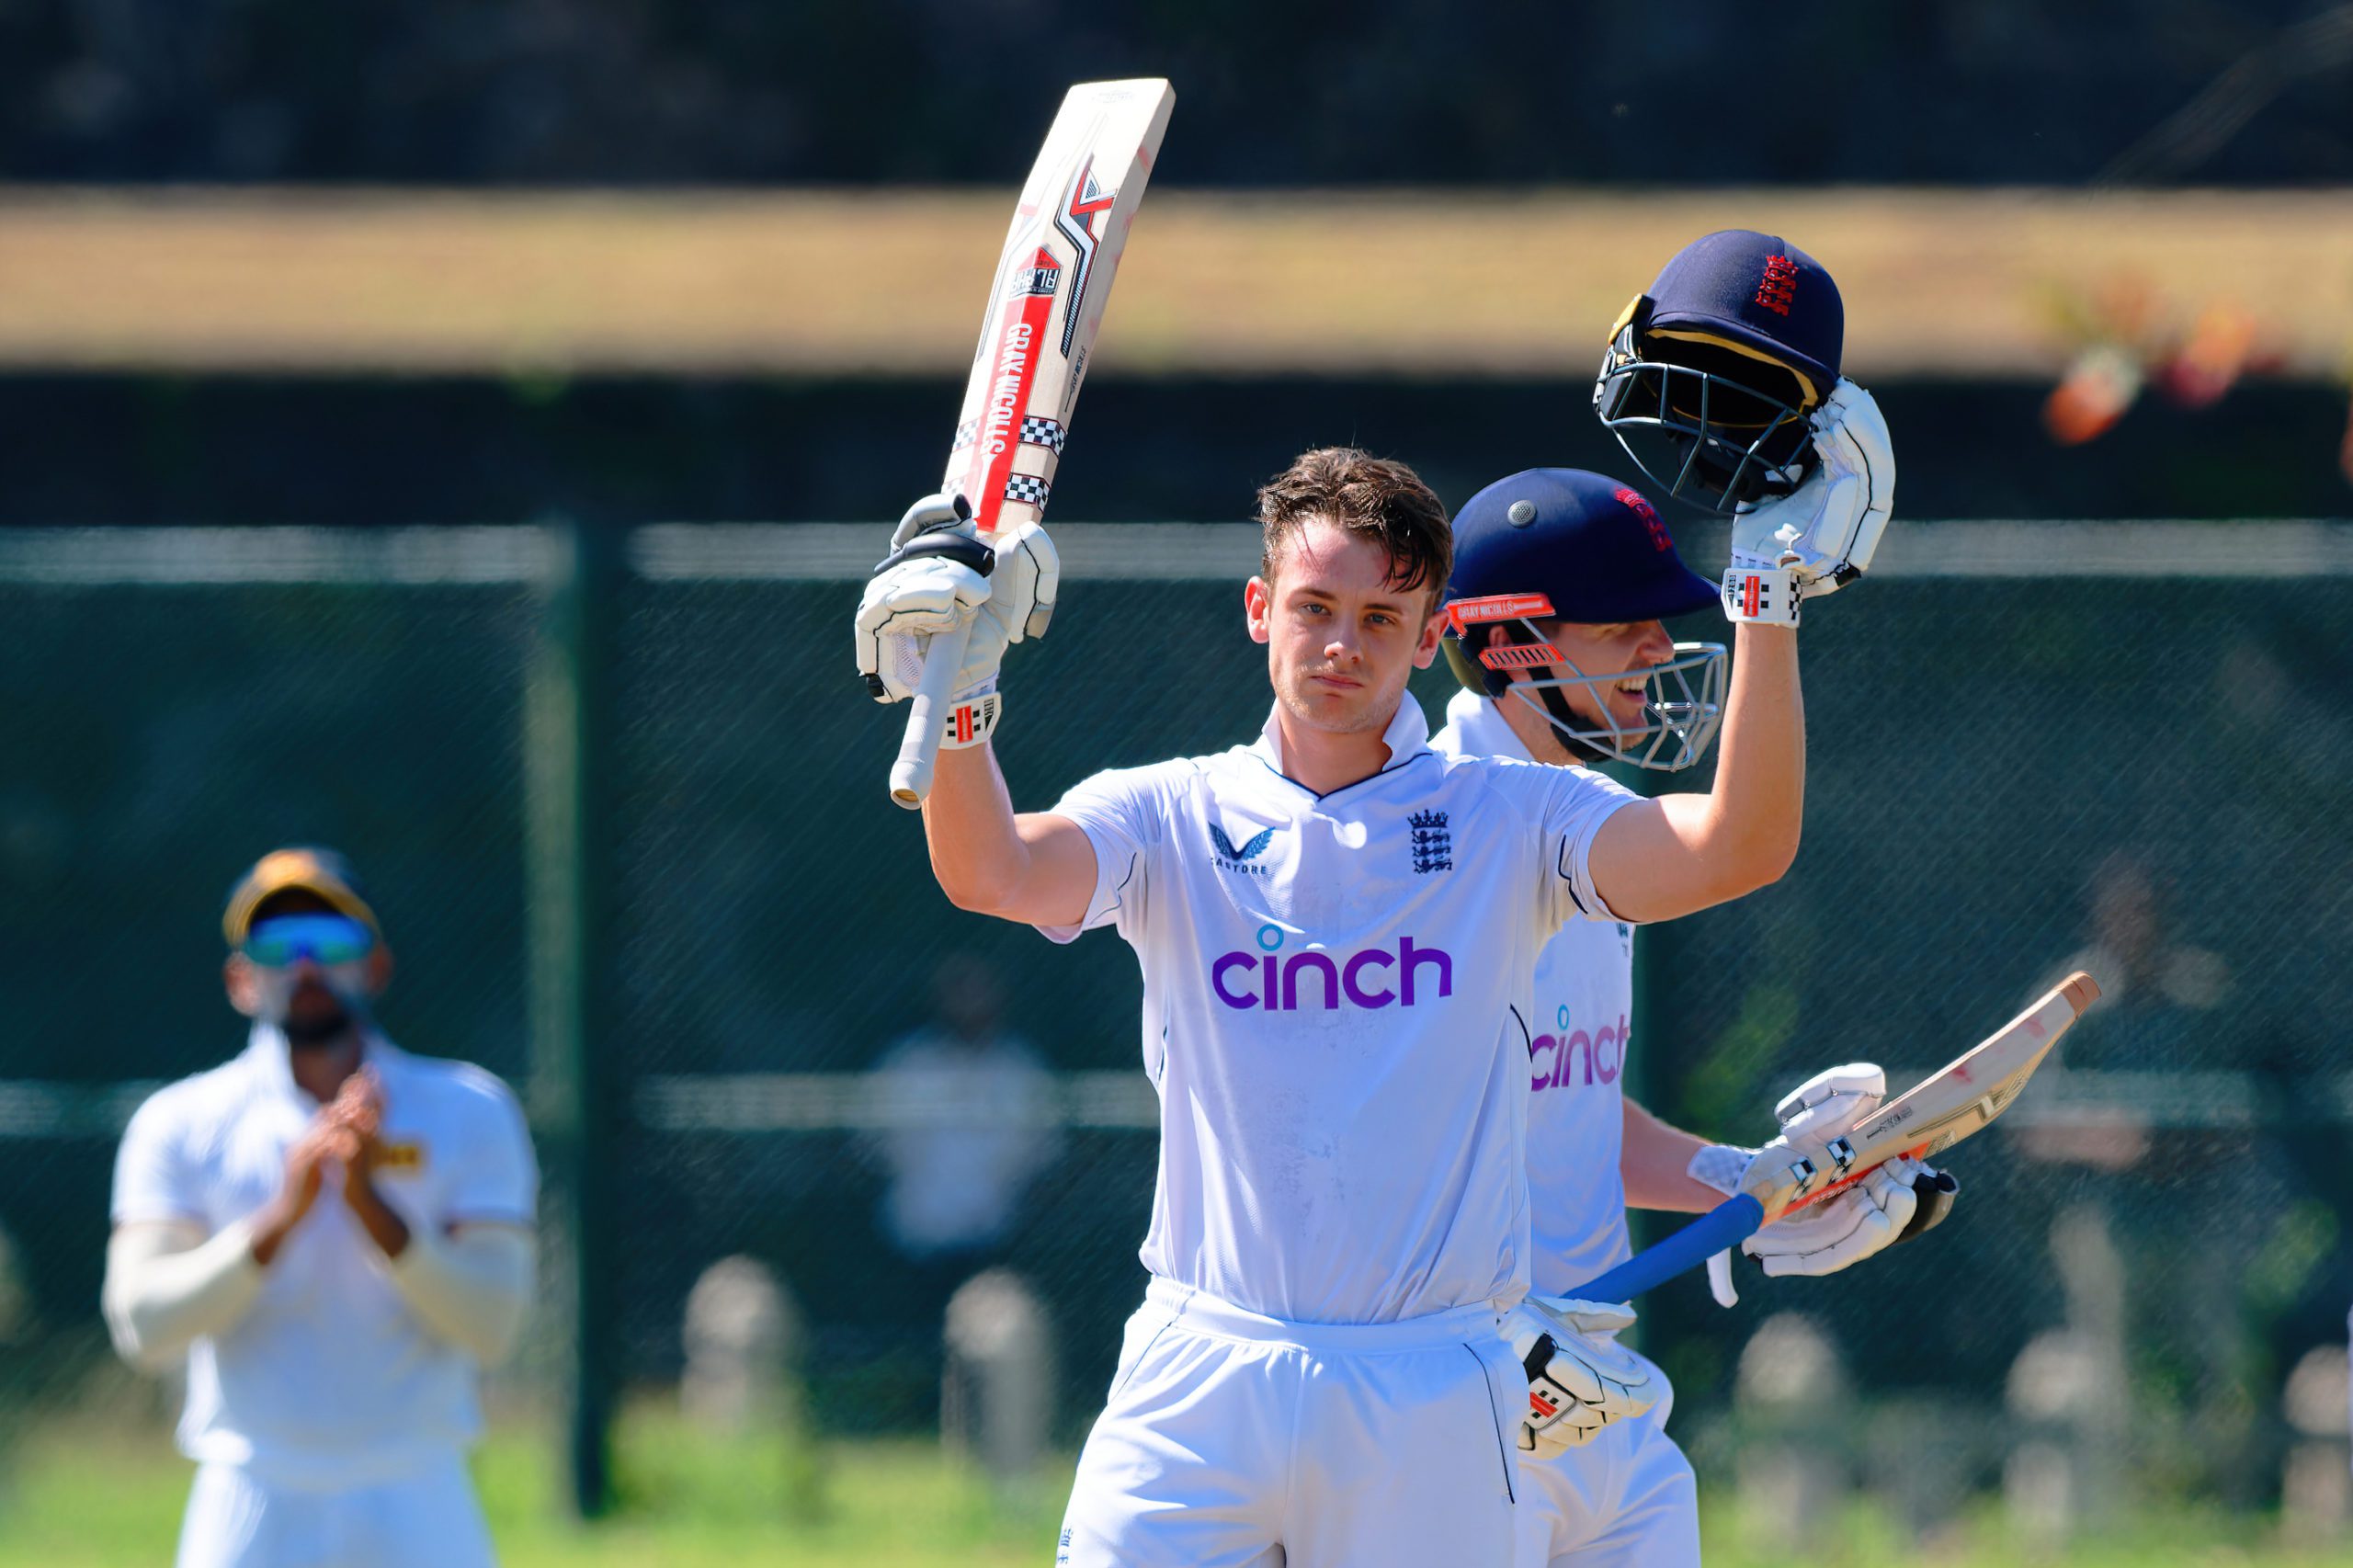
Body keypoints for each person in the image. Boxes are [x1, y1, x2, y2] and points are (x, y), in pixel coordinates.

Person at [851, 423, 1852, 1565]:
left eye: (1380, 619)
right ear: (1257, 608)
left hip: (1430, 1381)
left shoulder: (1511, 817)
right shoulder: (1169, 811)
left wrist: (1765, 601)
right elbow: (989, 871)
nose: (1340, 644)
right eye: (1314, 606)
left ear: (1431, 638)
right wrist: (960, 696)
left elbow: (1739, 846)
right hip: (1200, 1364)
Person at [101, 847, 537, 1568]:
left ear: (376, 967)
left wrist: (373, 1210)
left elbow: (492, 1325)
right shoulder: (179, 1121)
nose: (305, 968)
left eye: (332, 944)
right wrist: (279, 1218)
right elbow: (142, 1327)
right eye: (276, 947)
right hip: (250, 1493)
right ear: (240, 980)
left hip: (417, 1492)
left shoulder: (467, 1109)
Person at [865, 952, 1062, 1303]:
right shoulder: (910, 1063)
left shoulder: (1019, 1067)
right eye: (960, 991)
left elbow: (1043, 1158)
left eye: (979, 991)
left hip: (996, 1236)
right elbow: (874, 1149)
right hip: (917, 1233)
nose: (970, 1003)